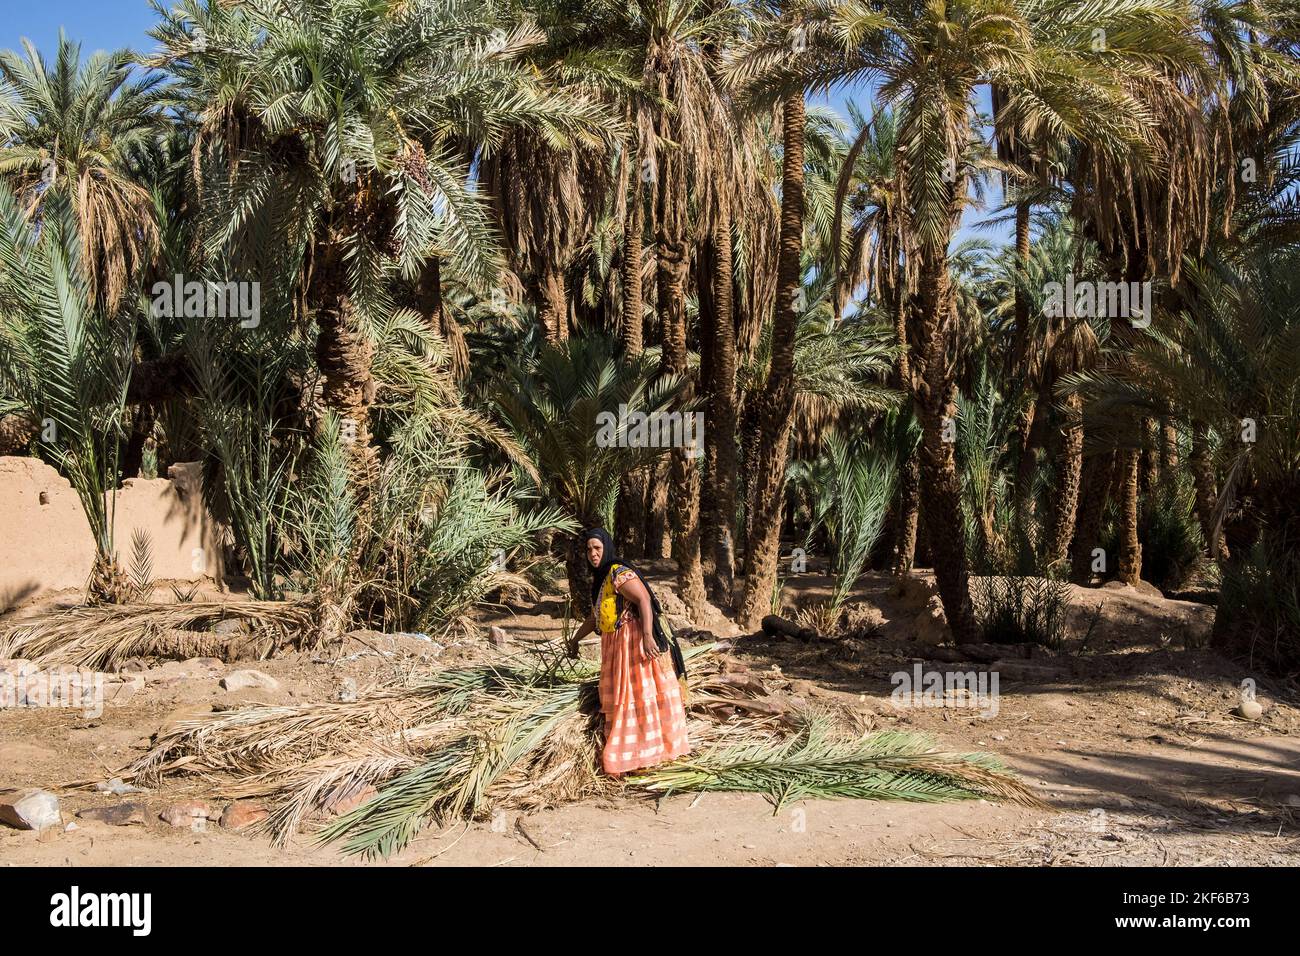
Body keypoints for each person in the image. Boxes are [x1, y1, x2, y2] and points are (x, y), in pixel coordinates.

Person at [568, 527, 689, 776]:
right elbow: (594, 618)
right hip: (615, 647)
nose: (592, 553)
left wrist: (646, 637)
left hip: (632, 644)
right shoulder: (601, 580)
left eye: (597, 548)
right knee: (623, 697)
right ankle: (635, 754)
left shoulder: (618, 572)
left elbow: (643, 599)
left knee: (637, 694)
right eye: (589, 549)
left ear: (607, 548)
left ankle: (644, 754)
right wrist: (575, 639)